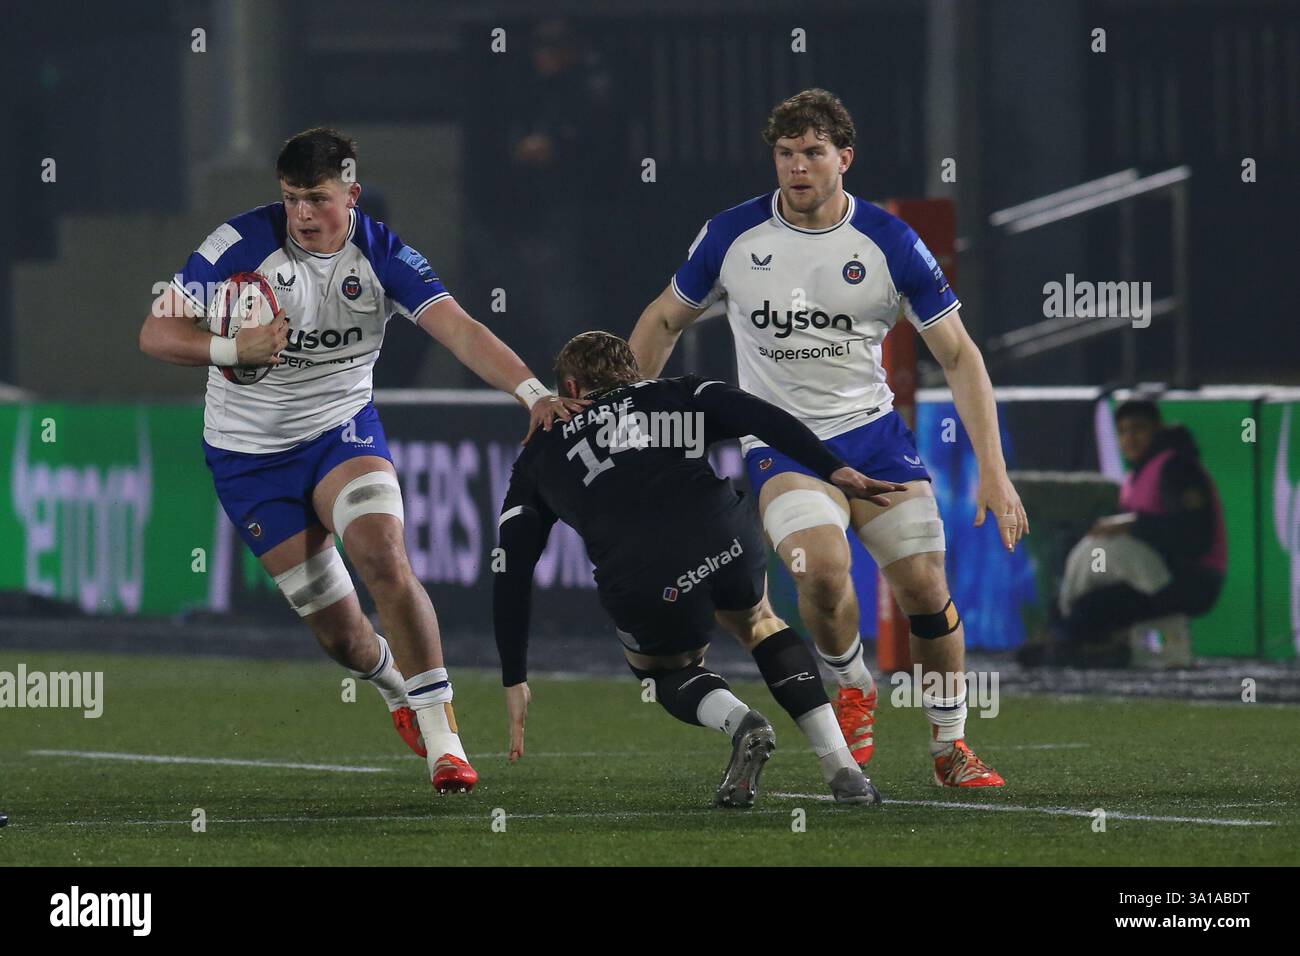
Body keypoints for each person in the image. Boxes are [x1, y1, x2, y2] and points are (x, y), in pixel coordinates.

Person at [138, 128, 584, 795]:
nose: (303, 215)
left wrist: (532, 392)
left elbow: (459, 328)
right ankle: (392, 684)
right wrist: (234, 349)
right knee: (344, 637)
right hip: (249, 460)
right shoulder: (236, 246)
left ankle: (445, 743)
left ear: (351, 193)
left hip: (341, 434)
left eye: (317, 198)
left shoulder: (384, 255)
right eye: (291, 199)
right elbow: (156, 332)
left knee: (382, 553)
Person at [629, 88, 1027, 787]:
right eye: (785, 153)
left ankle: (950, 749)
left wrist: (994, 470)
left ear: (844, 157)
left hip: (873, 438)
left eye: (813, 152)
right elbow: (663, 319)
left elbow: (960, 355)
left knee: (928, 591)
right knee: (821, 566)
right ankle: (851, 685)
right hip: (780, 443)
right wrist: (628, 419)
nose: (797, 167)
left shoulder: (891, 243)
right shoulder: (730, 236)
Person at [494, 332, 911, 806]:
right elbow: (762, 416)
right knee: (759, 623)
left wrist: (514, 675)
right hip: (723, 532)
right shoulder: (676, 392)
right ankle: (843, 769)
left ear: (569, 387)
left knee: (663, 669)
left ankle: (740, 722)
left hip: (642, 571)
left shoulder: (537, 453)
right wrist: (834, 468)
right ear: (632, 373)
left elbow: (510, 569)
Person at [1026, 400, 1227, 667]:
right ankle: (1088, 643)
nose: (1130, 438)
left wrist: (1134, 523)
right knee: (1093, 584)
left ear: (1158, 430)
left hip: (1191, 580)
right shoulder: (1136, 476)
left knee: (1098, 565)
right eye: (1123, 431)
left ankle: (1067, 638)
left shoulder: (1177, 468)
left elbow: (1195, 538)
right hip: (1157, 575)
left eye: (1138, 429)